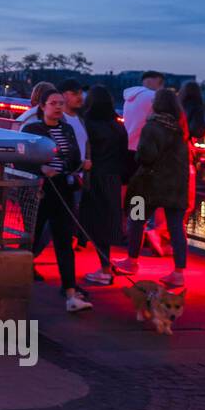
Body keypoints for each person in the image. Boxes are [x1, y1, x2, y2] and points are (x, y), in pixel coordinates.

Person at [21, 91, 92, 311]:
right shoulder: (32, 130)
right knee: (32, 239)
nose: (59, 108)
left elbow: (72, 158)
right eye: (53, 104)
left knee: (63, 242)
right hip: (41, 191)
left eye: (61, 103)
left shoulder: (67, 129)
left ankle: (71, 294)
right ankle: (15, 287)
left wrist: (81, 165)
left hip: (63, 188)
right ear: (42, 106)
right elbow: (19, 159)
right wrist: (40, 168)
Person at [115, 88, 190, 287]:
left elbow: (146, 156)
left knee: (136, 219)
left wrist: (138, 156)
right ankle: (178, 271)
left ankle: (132, 261)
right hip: (176, 185)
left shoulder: (152, 126)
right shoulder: (180, 127)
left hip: (146, 186)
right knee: (176, 227)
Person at [79, 85, 128, 284]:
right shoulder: (118, 126)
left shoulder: (87, 125)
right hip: (113, 179)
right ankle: (105, 266)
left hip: (94, 177)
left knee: (93, 222)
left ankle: (105, 270)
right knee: (106, 223)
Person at [123, 70, 167, 255]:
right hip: (146, 154)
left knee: (136, 200)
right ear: (158, 82)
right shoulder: (154, 98)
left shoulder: (130, 97)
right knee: (153, 199)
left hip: (129, 152)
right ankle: (150, 235)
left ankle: (132, 234)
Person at [57, 78, 92, 248]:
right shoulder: (59, 119)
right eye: (75, 93)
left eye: (80, 93)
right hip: (64, 175)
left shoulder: (80, 118)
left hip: (79, 175)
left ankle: (72, 240)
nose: (80, 97)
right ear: (63, 95)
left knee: (74, 211)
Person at [177, 80, 205, 222]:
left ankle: (160, 232)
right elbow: (197, 130)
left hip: (171, 153)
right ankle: (177, 232)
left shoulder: (176, 105)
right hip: (184, 153)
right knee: (185, 197)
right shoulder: (196, 107)